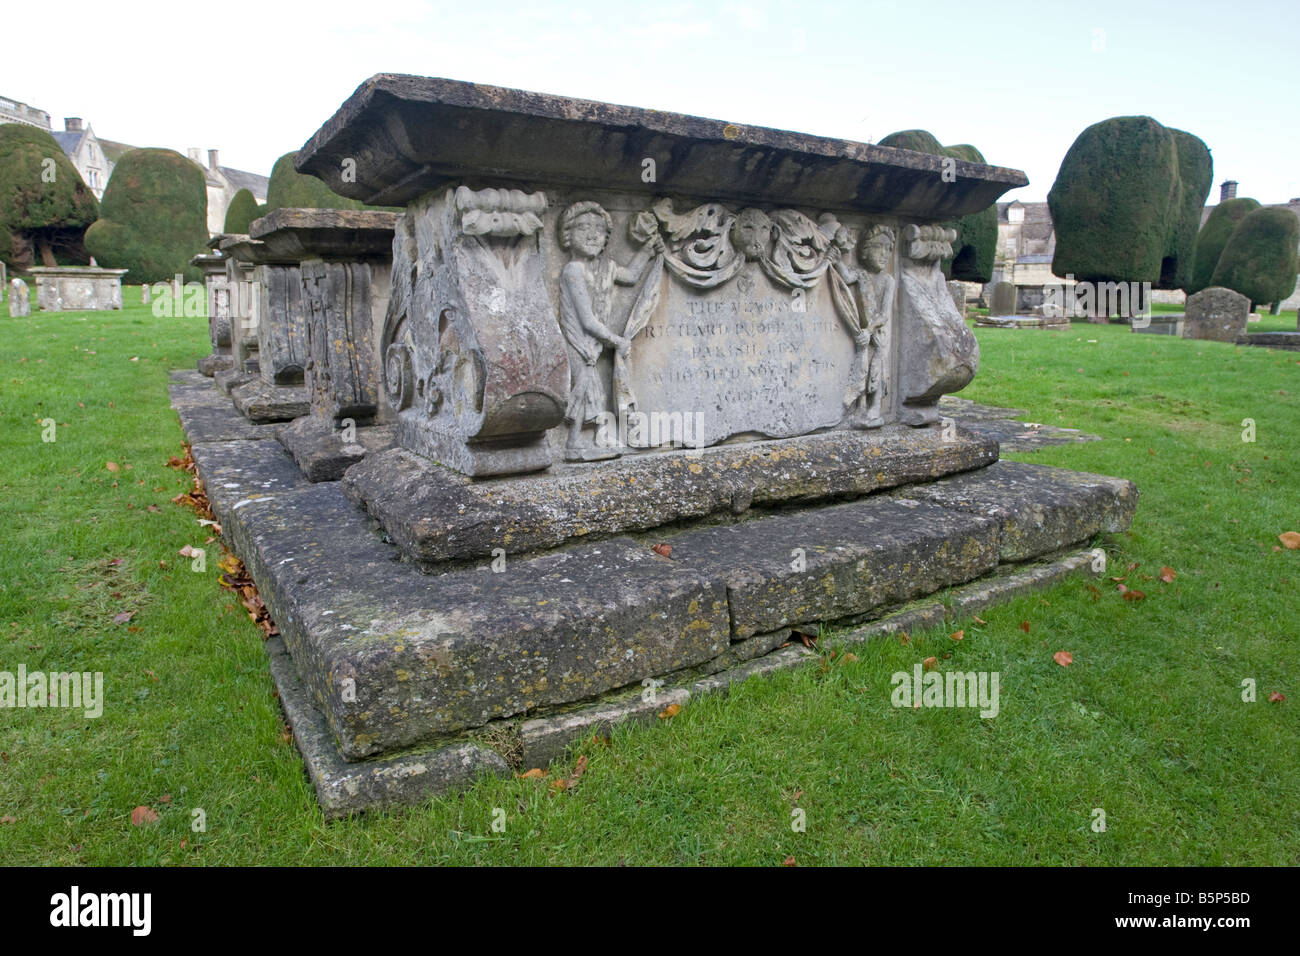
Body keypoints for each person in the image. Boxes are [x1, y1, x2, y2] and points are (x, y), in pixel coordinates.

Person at [556, 201, 661, 458]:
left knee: (594, 390)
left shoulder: (606, 267)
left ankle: (595, 440)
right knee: (582, 387)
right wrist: (616, 340)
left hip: (595, 342)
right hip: (579, 341)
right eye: (583, 228)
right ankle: (573, 444)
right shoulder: (573, 270)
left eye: (599, 229)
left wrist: (648, 250)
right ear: (568, 235)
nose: (592, 234)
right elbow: (587, 320)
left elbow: (632, 276)